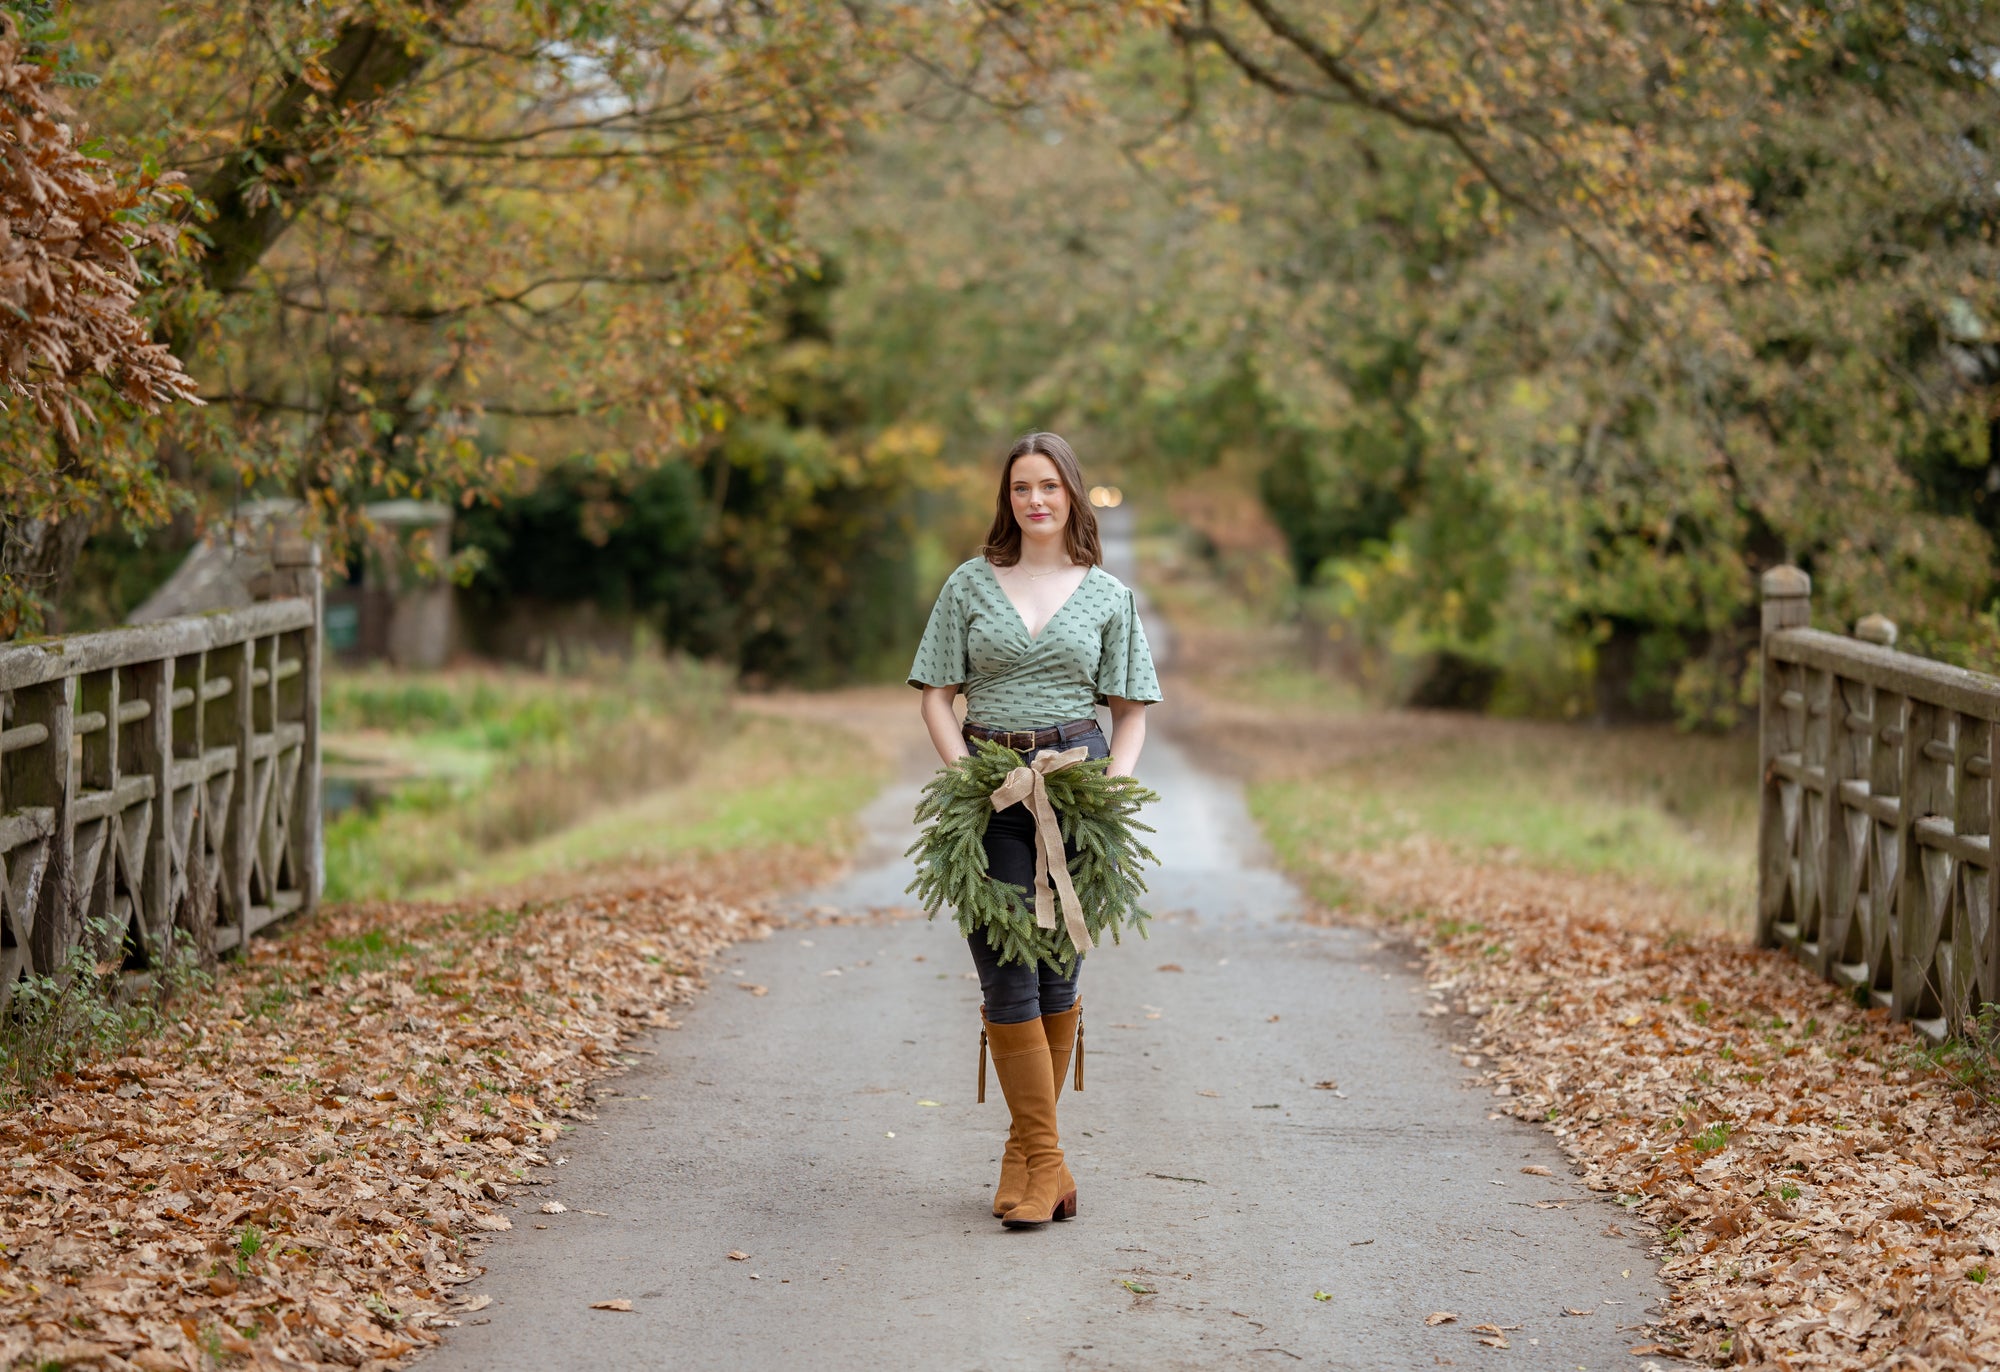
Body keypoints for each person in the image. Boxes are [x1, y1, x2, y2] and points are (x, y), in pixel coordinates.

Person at [907, 431, 1162, 1229]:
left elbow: (1130, 713)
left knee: (1056, 971)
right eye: (1021, 487)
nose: (1035, 500)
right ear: (1007, 498)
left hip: (1077, 784)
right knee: (1003, 969)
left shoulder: (1108, 595)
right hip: (987, 784)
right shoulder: (969, 583)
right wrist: (964, 776)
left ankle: (1029, 1162)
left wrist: (1111, 790)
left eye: (1048, 485)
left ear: (1071, 494)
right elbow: (935, 696)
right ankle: (1046, 1162)